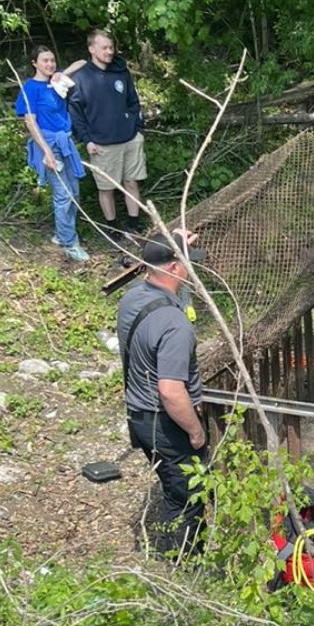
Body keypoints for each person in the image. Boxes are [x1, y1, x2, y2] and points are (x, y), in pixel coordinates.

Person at [117, 230, 208, 558]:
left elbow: (158, 269)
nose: (190, 271)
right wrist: (195, 430)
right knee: (186, 497)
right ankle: (184, 568)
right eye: (186, 264)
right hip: (166, 423)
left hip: (138, 418)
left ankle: (174, 553)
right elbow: (170, 391)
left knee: (174, 489)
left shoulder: (133, 298)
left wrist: (174, 237)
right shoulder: (175, 325)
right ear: (173, 269)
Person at [68, 30, 147, 247]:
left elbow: (134, 101)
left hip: (130, 138)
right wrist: (87, 139)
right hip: (101, 143)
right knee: (107, 188)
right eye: (104, 47)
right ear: (91, 48)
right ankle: (112, 228)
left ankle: (134, 223)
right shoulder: (81, 78)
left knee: (131, 182)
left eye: (111, 47)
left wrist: (138, 128)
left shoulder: (121, 72)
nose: (109, 51)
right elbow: (75, 113)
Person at [13, 46, 89, 262]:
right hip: (48, 145)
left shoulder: (56, 82)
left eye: (52, 60)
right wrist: (46, 152)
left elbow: (82, 62)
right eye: (44, 61)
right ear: (34, 63)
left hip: (65, 142)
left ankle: (61, 233)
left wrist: (62, 74)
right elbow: (30, 121)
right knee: (63, 194)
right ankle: (69, 243)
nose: (49, 64)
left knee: (74, 192)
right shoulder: (31, 88)